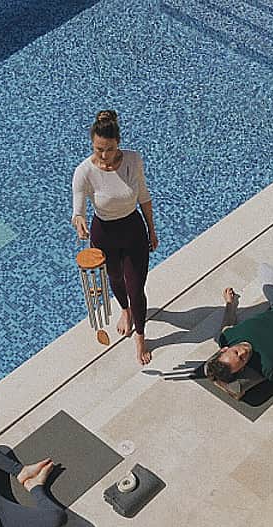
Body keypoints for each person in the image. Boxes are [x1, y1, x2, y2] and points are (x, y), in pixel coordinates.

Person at [72, 110, 158, 365]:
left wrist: (152, 229)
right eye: (98, 149)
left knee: (136, 286)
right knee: (115, 278)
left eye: (108, 149)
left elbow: (143, 194)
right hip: (104, 233)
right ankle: (125, 310)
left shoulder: (133, 160)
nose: (103, 155)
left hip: (133, 230)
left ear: (117, 142)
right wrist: (79, 221)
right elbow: (78, 207)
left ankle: (140, 336)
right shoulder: (84, 171)